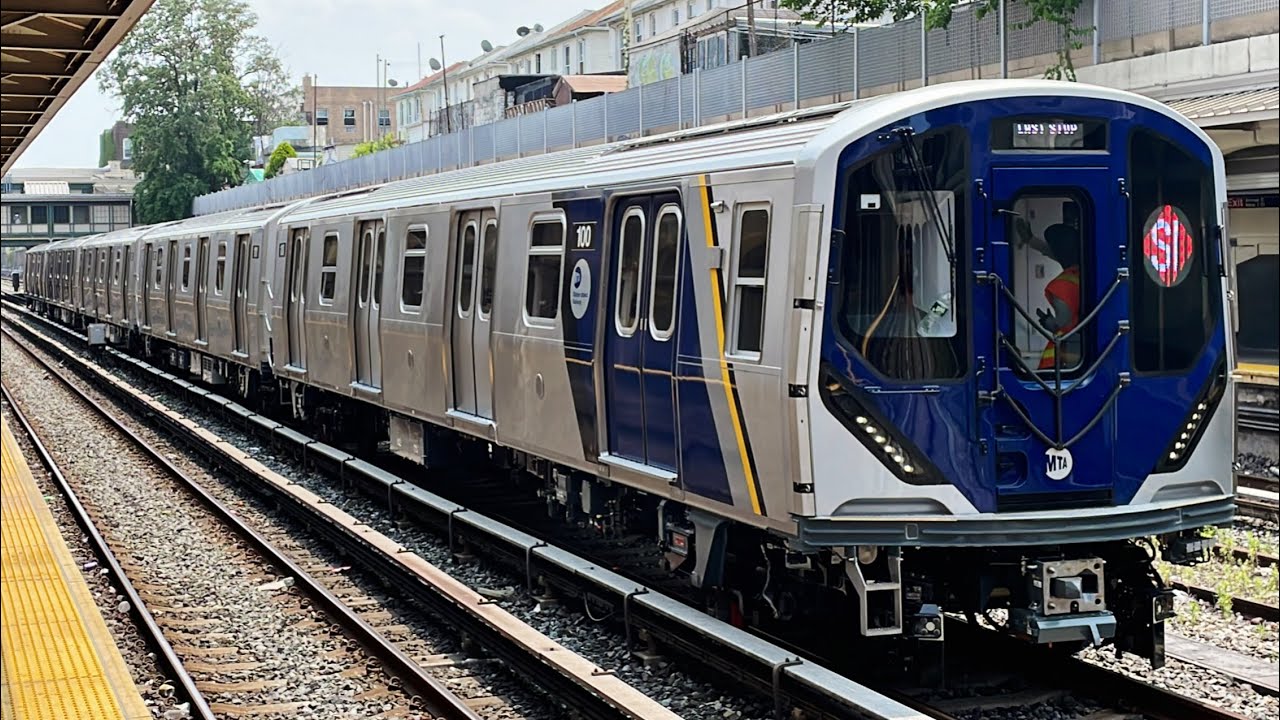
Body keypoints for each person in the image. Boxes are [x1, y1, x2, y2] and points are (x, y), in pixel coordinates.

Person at [1015, 220, 1081, 370]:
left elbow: (1064, 327)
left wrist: (1049, 323)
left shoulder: (1063, 285)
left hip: (1063, 362)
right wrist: (1031, 240)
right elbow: (1055, 253)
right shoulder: (1084, 273)